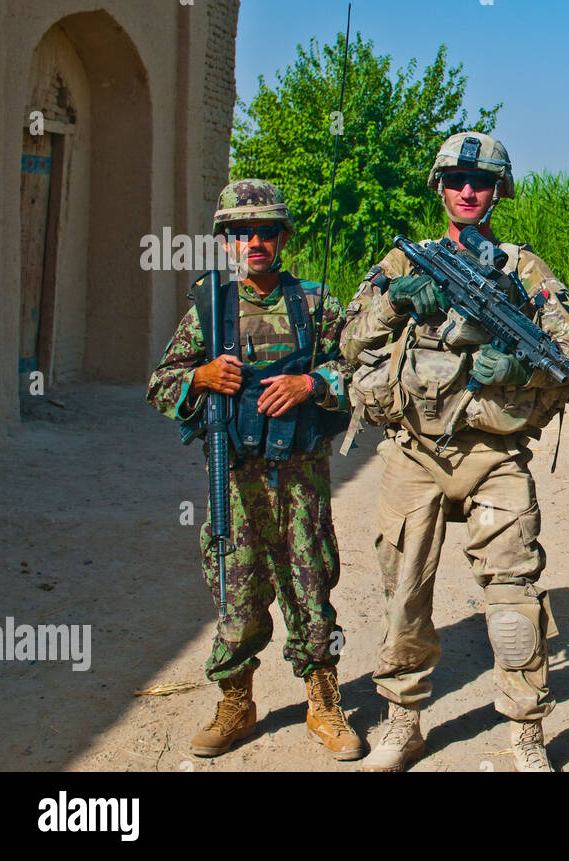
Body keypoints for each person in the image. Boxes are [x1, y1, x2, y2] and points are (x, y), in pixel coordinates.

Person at [340, 132, 569, 772]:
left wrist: (520, 368)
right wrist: (395, 302)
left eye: (481, 182)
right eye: (456, 180)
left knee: (512, 597)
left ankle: (526, 731)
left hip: (493, 452)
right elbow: (349, 344)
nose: (468, 192)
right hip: (413, 450)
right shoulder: (405, 262)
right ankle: (403, 722)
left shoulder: (525, 270)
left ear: (499, 191)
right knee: (404, 595)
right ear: (441, 188)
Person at [147, 179, 361, 761]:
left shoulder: (317, 305)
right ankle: (236, 702)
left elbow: (363, 372)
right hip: (236, 484)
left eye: (267, 231)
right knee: (236, 598)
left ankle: (323, 701)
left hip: (302, 482)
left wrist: (312, 382)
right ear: (226, 242)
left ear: (283, 238)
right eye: (242, 233)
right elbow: (160, 385)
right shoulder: (210, 309)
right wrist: (199, 377)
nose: (255, 242)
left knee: (311, 592)